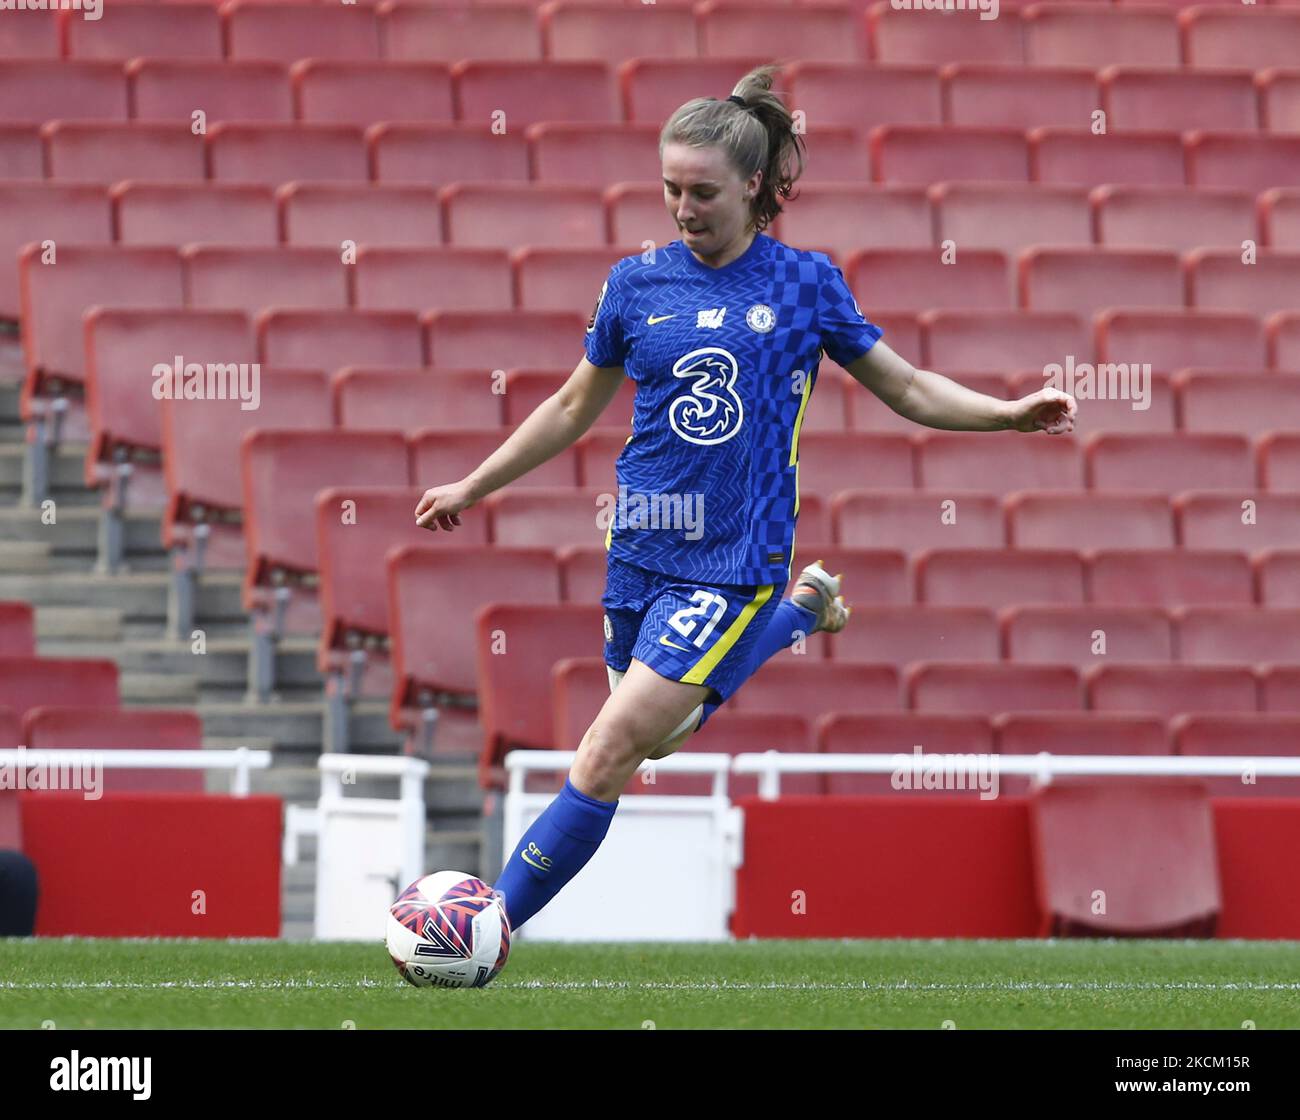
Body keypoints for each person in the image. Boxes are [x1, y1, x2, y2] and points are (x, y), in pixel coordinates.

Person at [414, 64, 1077, 938]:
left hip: (732, 562)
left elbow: (908, 388)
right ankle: (801, 615)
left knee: (607, 751)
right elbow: (574, 405)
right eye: (669, 189)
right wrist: (473, 483)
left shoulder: (804, 285)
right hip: (641, 545)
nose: (683, 209)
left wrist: (1007, 415)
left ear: (755, 186)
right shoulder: (636, 284)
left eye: (703, 193)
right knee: (664, 736)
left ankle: (490, 926)